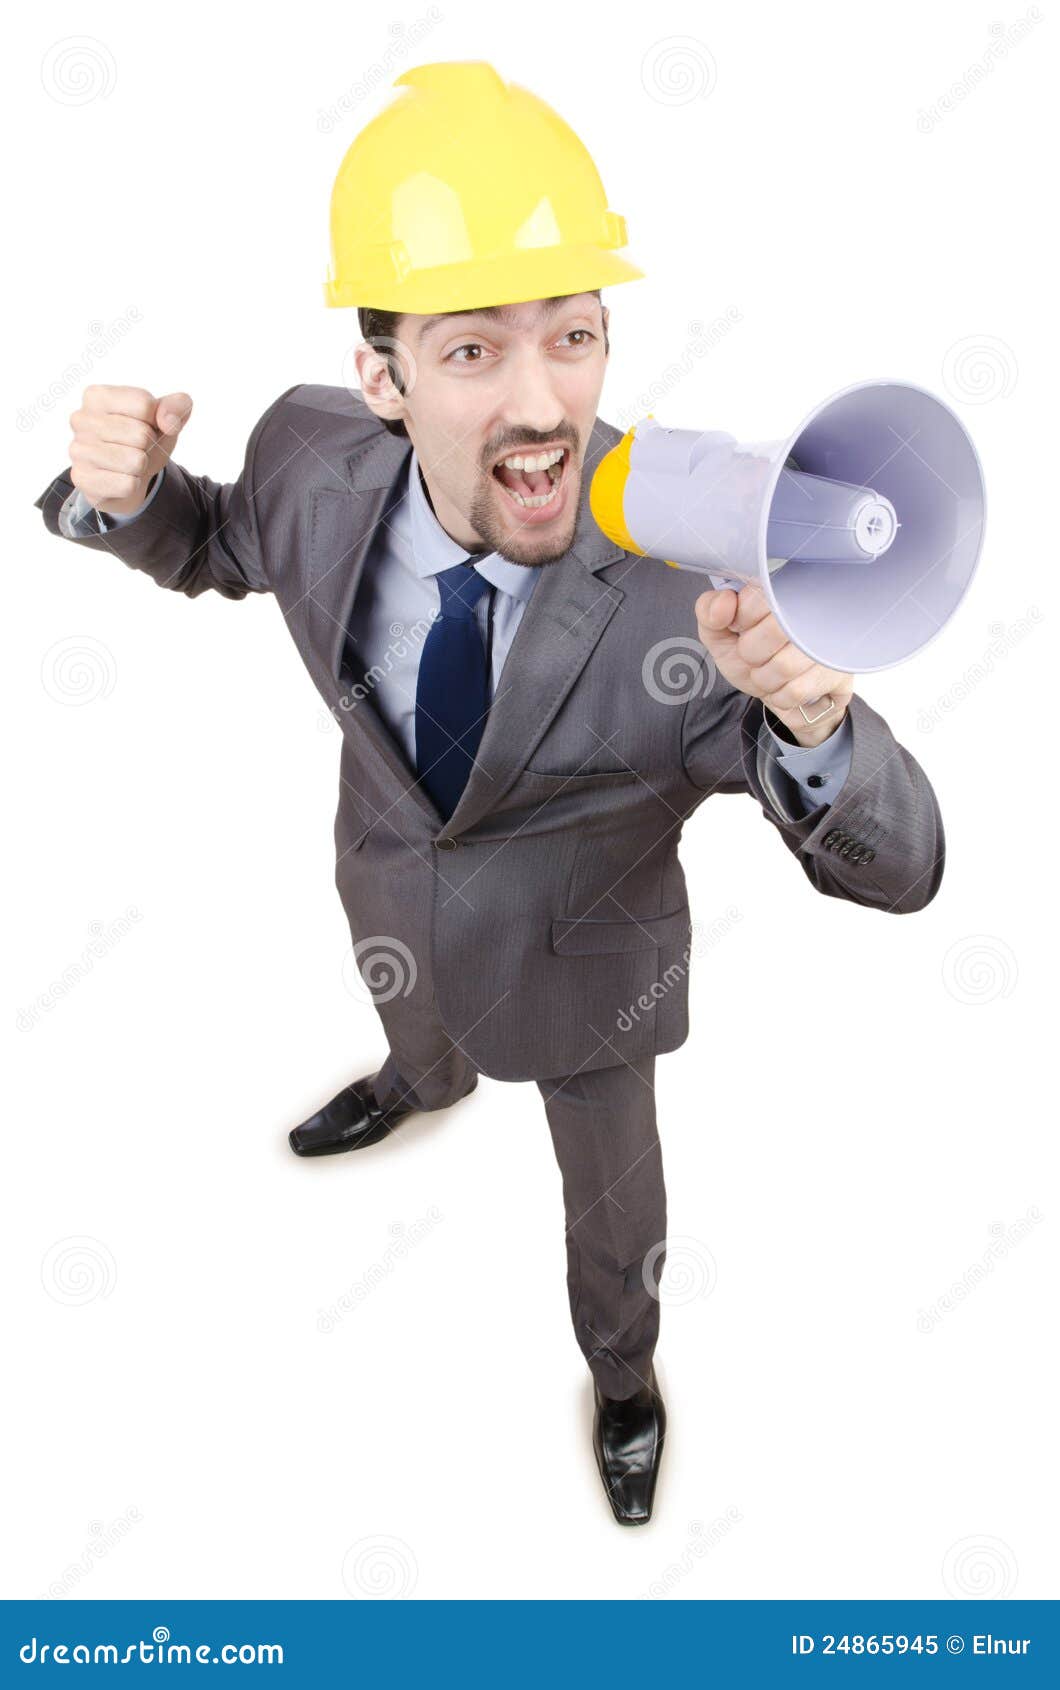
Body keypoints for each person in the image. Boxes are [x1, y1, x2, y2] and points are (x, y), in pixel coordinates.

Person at [33, 61, 943, 1526]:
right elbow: (218, 542)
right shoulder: (309, 458)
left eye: (574, 336)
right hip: (392, 891)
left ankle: (630, 1378)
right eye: (473, 353)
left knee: (614, 1207)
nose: (546, 405)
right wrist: (133, 496)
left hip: (597, 992)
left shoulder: (690, 612)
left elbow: (906, 866)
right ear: (380, 377)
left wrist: (818, 715)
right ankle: (420, 1077)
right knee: (418, 1017)